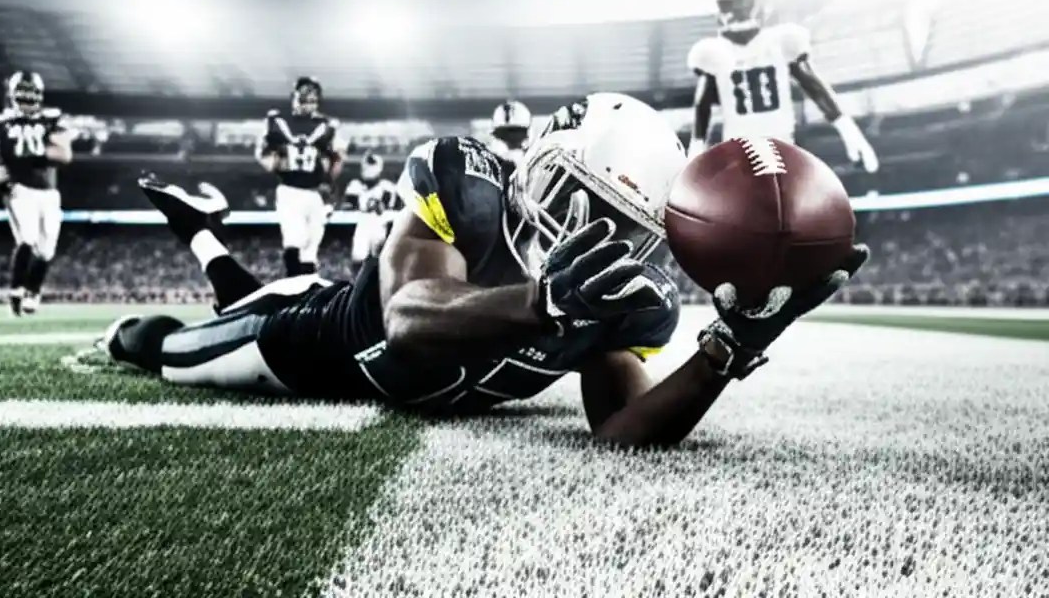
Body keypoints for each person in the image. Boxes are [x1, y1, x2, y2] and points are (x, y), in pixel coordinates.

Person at [92, 93, 867, 446]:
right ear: (533, 166)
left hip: (373, 326)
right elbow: (405, 319)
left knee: (258, 290)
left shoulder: (626, 298)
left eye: (619, 225)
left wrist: (722, 353)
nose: (584, 231)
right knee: (165, 351)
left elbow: (621, 430)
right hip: (320, 350)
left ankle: (204, 236)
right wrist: (545, 301)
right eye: (571, 197)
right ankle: (194, 243)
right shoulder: (466, 181)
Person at [687, 0, 879, 173]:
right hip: (748, 149)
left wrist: (848, 129)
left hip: (775, 147)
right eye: (730, 5)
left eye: (742, 4)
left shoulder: (773, 42)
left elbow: (812, 84)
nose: (737, 11)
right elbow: (703, 104)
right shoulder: (724, 50)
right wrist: (696, 146)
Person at [0, 70, 73, 316]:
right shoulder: (2, 123)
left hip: (49, 193)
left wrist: (34, 155)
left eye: (31, 94)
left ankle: (33, 290)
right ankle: (16, 290)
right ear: (12, 96)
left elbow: (65, 154)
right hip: (21, 190)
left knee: (47, 249)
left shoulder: (53, 119)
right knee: (27, 239)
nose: (27, 100)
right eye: (22, 94)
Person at [254, 76, 345, 277]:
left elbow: (338, 158)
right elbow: (262, 153)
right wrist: (273, 162)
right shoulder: (277, 121)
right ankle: (293, 292)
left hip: (315, 192)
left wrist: (329, 179)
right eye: (304, 95)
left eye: (312, 97)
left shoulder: (326, 125)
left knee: (310, 251)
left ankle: (306, 296)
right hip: (290, 190)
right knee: (295, 241)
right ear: (294, 96)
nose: (308, 100)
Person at [342, 152, 401, 276]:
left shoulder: (387, 187)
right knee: (358, 258)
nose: (369, 169)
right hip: (363, 224)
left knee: (379, 259)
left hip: (379, 225)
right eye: (367, 165)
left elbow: (392, 209)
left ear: (379, 168)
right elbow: (348, 207)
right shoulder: (355, 186)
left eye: (372, 165)